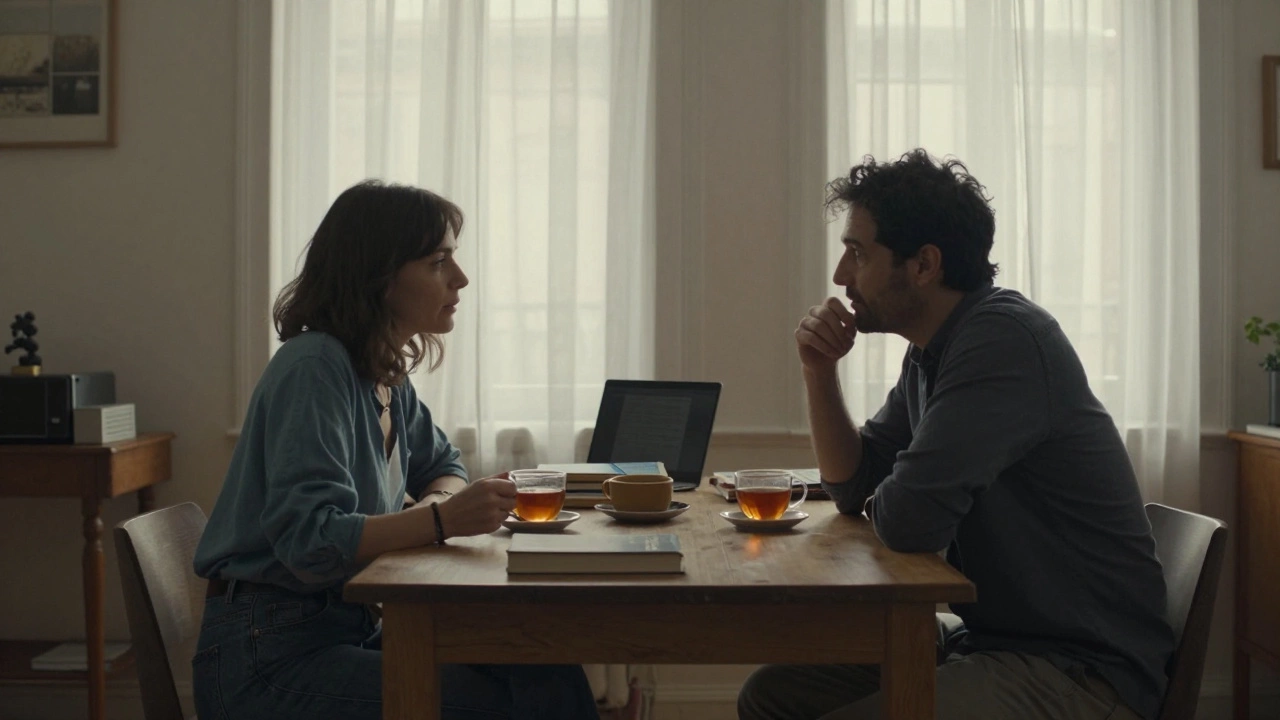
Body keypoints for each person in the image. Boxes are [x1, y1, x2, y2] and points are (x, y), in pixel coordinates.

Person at [737, 150, 1174, 720]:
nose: (842, 276)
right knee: (774, 696)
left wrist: (896, 490)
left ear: (924, 264)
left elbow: (909, 521)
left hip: (1082, 671)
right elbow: (854, 486)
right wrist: (818, 371)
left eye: (858, 252)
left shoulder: (1002, 341)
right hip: (996, 641)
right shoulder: (931, 352)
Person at [191, 180, 600, 720]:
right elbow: (308, 540)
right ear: (379, 276)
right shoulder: (314, 367)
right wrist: (441, 522)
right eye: (438, 261)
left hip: (345, 628)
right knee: (508, 707)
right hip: (270, 656)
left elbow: (446, 465)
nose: (460, 278)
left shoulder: (384, 373)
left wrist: (437, 507)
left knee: (546, 669)